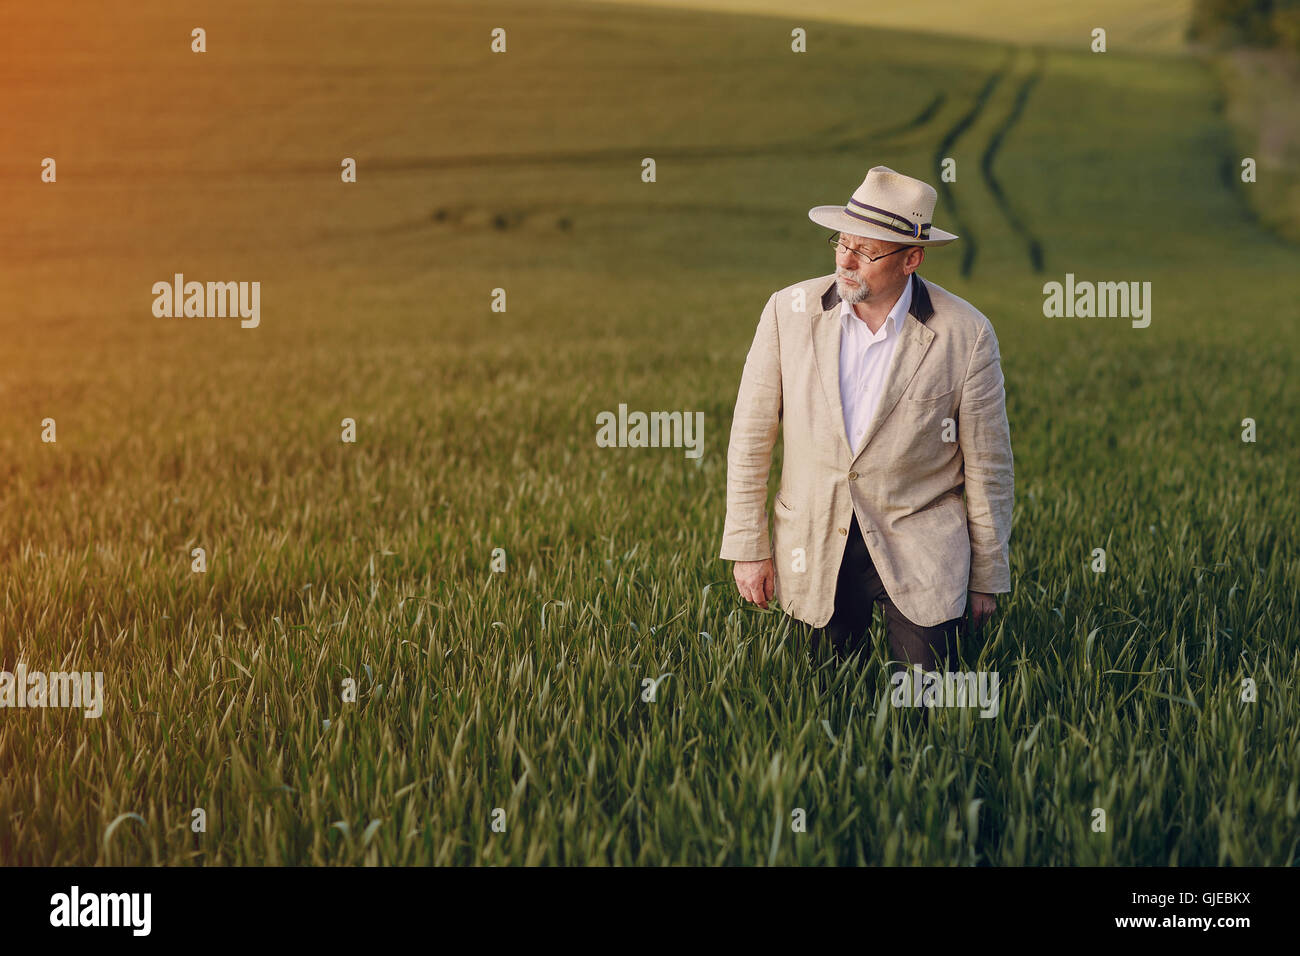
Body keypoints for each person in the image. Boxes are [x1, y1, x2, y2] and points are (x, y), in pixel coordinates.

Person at [719, 165, 1013, 673]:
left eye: (867, 251)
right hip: (814, 539)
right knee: (822, 699)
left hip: (921, 546)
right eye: (842, 243)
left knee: (926, 702)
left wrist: (986, 575)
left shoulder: (968, 334)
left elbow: (989, 466)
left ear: (912, 259)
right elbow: (750, 436)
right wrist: (749, 547)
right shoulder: (787, 312)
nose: (846, 260)